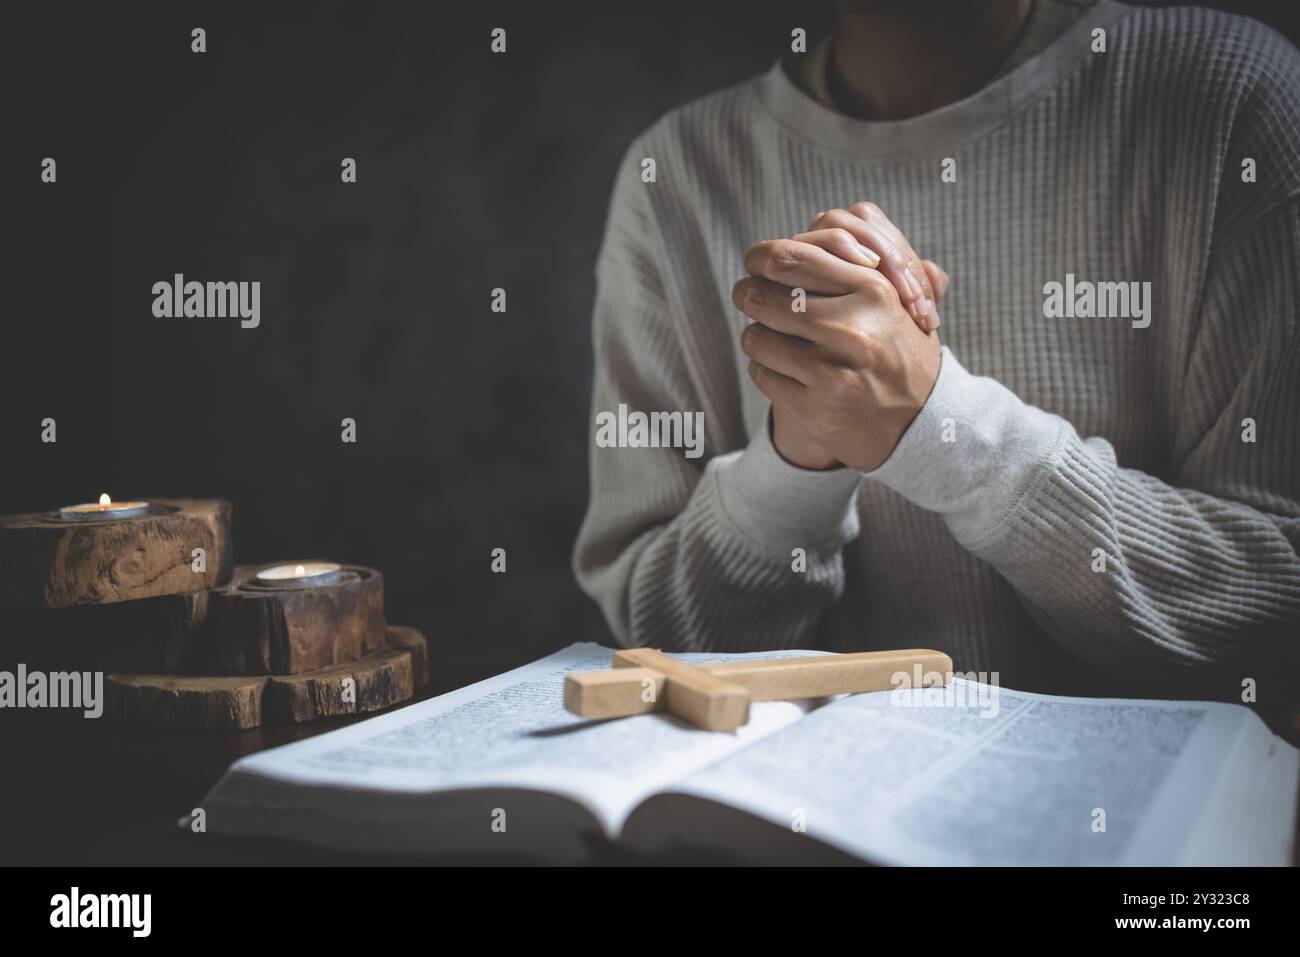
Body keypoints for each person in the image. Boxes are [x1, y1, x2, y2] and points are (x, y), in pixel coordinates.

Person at [573, 0, 1300, 703]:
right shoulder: (674, 175)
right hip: (799, 813)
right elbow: (662, 640)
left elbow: (1276, 606)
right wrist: (799, 451)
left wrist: (941, 426)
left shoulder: (1230, 98)